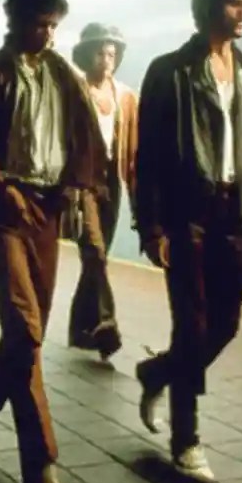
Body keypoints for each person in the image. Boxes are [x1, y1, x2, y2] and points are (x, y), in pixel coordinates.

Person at [133, 0, 242, 483]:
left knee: (226, 323)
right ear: (207, 7)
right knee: (193, 323)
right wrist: (151, 227)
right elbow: (150, 157)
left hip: (233, 212)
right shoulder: (170, 72)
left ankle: (159, 371)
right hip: (186, 215)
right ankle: (187, 441)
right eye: (234, 3)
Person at [0, 0, 108, 483]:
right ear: (13, 20)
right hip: (1, 208)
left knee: (26, 333)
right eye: (41, 25)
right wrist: (2, 187)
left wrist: (74, 198)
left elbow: (82, 140)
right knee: (26, 328)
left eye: (54, 26)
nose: (49, 36)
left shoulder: (63, 74)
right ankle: (40, 464)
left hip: (48, 208)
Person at [64, 23, 138, 361]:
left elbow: (133, 152)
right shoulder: (74, 92)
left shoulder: (125, 96)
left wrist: (138, 199)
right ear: (85, 55)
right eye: (99, 52)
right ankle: (107, 324)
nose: (106, 59)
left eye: (112, 53)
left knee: (97, 258)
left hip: (111, 183)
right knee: (93, 250)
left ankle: (80, 330)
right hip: (83, 183)